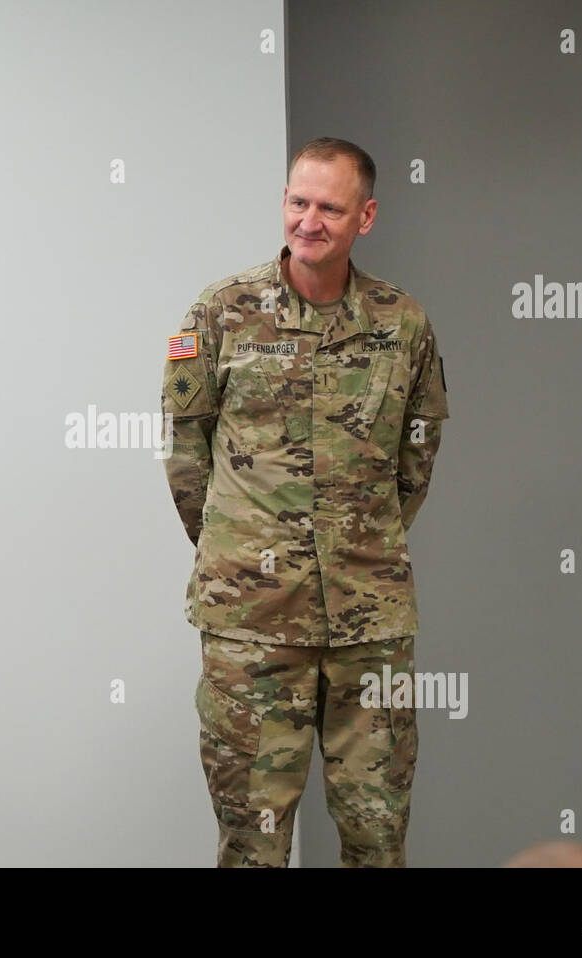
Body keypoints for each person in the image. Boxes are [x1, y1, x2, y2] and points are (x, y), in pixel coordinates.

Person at [162, 137, 449, 867]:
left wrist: (360, 541)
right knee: (252, 843)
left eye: (329, 207)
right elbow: (186, 455)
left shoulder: (402, 324)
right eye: (298, 201)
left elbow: (416, 458)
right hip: (251, 623)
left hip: (368, 621)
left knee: (378, 836)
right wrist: (240, 548)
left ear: (367, 216)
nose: (309, 221)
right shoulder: (220, 312)